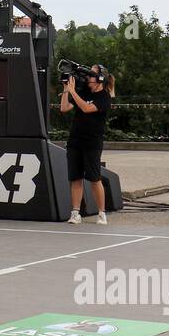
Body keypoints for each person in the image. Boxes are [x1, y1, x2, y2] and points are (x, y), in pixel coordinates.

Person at [60, 64, 115, 225]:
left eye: (91, 75)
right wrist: (66, 89)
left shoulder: (104, 97)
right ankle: (75, 212)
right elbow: (64, 108)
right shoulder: (83, 92)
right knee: (75, 178)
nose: (88, 78)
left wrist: (73, 92)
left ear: (100, 78)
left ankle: (101, 213)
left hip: (92, 142)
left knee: (94, 178)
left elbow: (86, 108)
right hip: (75, 141)